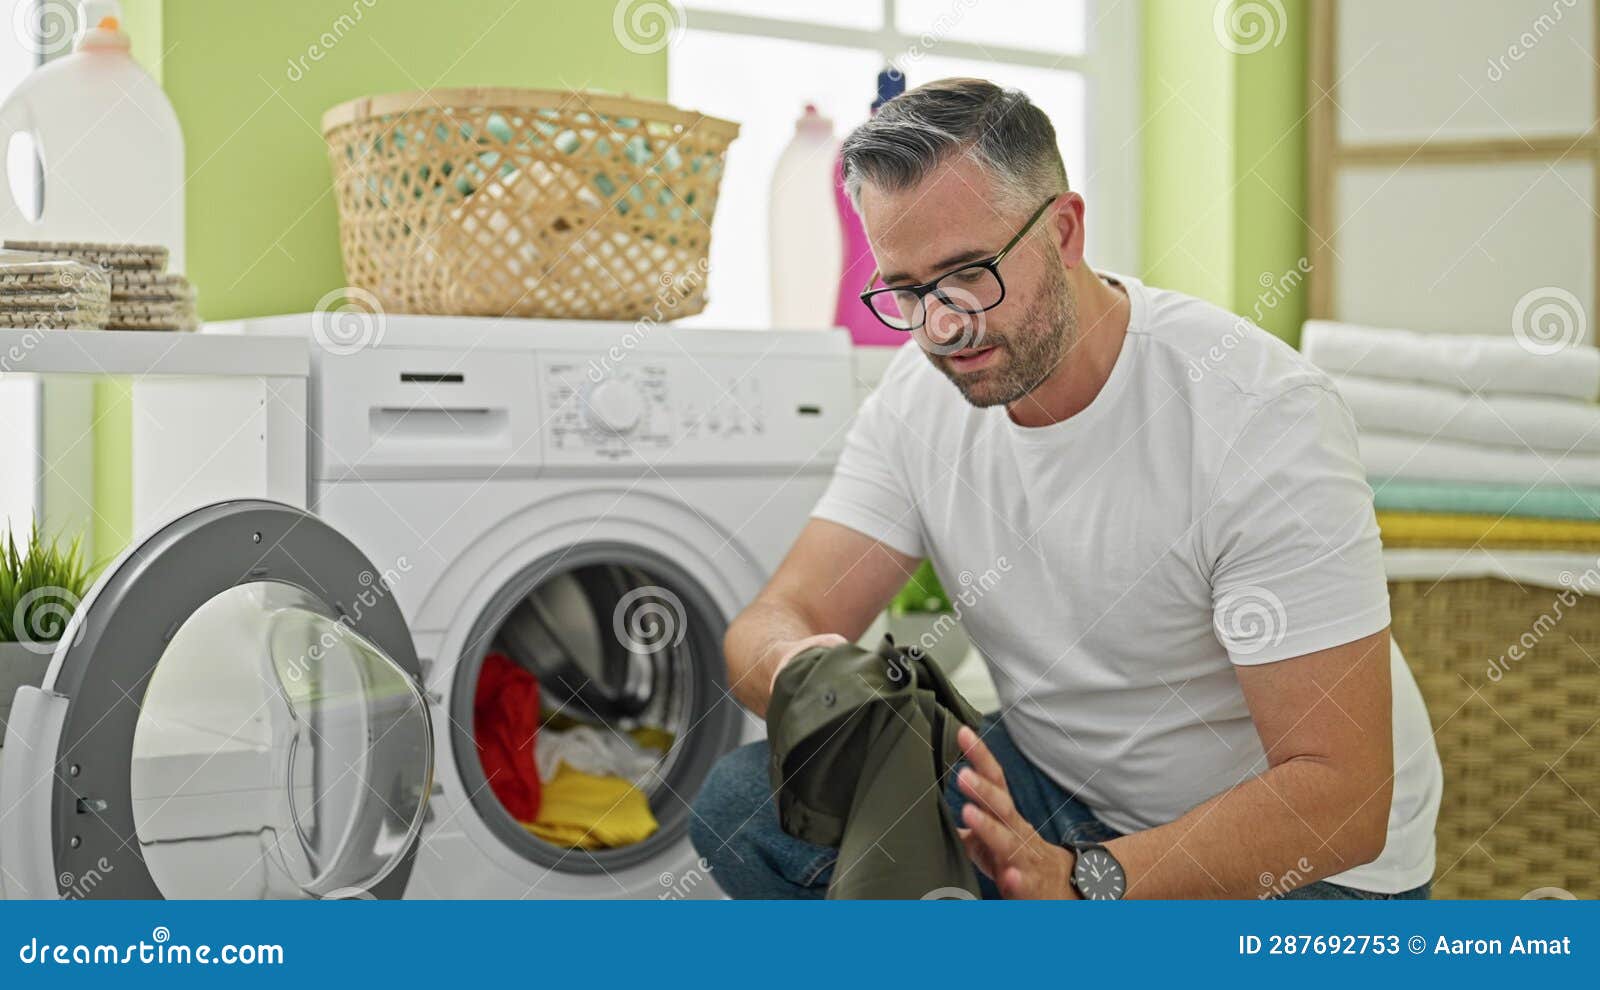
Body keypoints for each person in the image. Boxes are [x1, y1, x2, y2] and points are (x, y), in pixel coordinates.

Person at [689, 78, 1441, 899]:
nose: (942, 326)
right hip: (1056, 790)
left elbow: (1342, 797)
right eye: (906, 291)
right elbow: (771, 621)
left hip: (1305, 864)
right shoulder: (917, 402)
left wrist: (1083, 883)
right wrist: (814, 675)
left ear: (1066, 230)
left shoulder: (1258, 415)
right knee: (740, 805)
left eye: (969, 273)